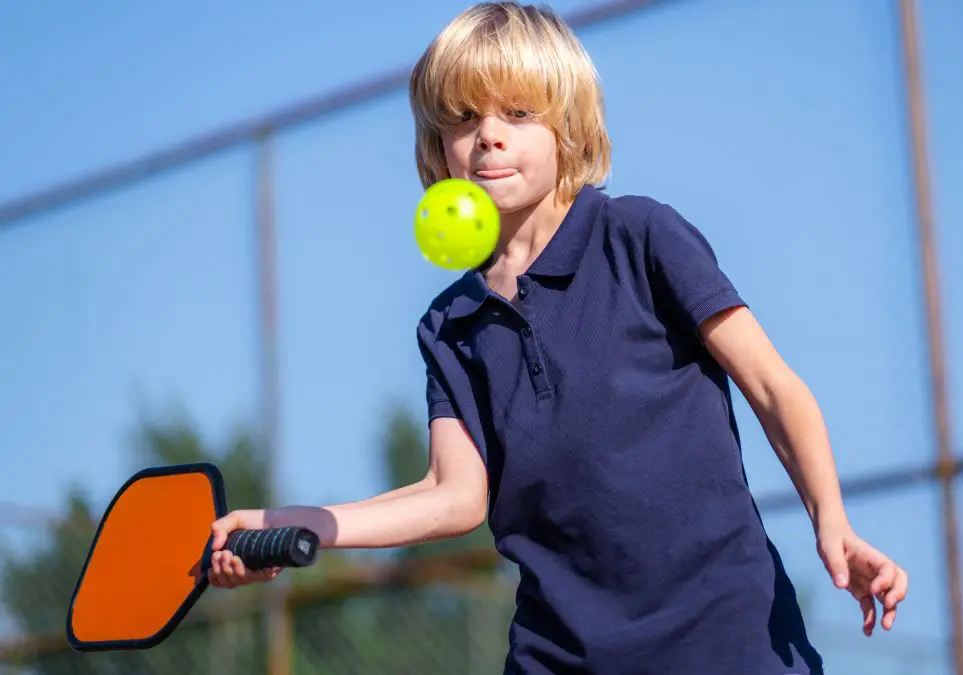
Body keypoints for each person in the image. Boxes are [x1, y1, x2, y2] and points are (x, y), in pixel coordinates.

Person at [207, 3, 909, 673]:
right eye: (463, 117)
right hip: (561, 656)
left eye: (517, 112)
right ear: (437, 147)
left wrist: (832, 520)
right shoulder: (450, 324)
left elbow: (772, 387)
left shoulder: (641, 236)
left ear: (568, 129)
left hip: (725, 640)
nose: (488, 134)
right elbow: (455, 496)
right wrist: (303, 521)